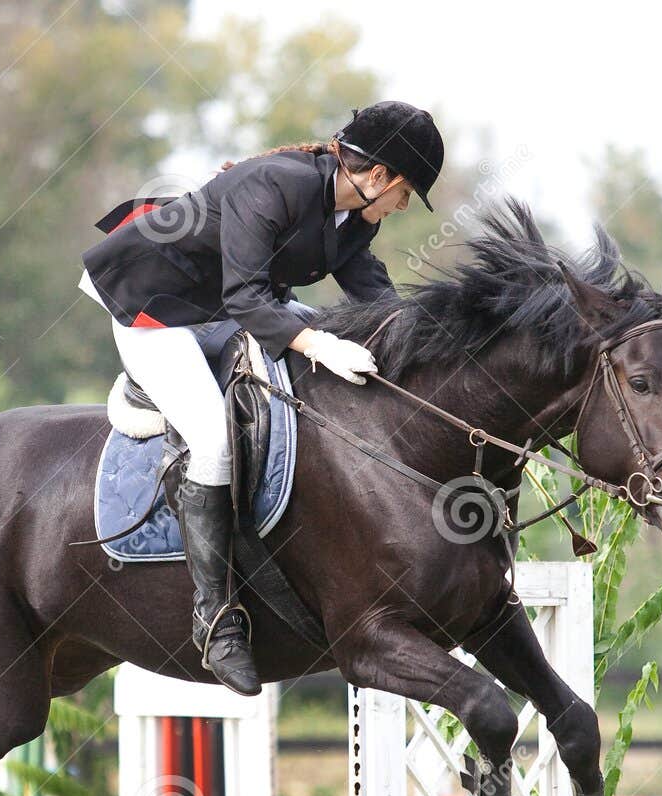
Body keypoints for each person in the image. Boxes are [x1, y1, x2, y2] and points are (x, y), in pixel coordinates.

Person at [78, 101, 444, 695]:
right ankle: (215, 619)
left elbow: (373, 297)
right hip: (154, 308)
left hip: (220, 304)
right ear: (379, 178)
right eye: (407, 193)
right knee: (215, 442)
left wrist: (431, 341)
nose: (404, 208)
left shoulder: (357, 217)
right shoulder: (277, 185)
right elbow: (248, 299)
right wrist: (319, 344)